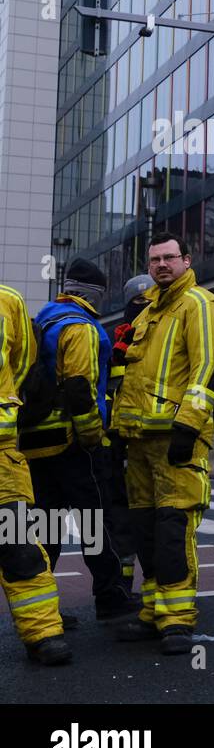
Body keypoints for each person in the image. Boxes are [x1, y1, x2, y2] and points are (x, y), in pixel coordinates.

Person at [113, 233, 214, 656]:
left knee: (173, 529)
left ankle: (178, 619)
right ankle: (154, 611)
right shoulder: (147, 313)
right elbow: (131, 381)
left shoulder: (199, 303)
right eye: (155, 260)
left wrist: (187, 426)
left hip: (175, 439)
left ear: (186, 259)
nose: (162, 265)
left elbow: (210, 366)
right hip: (140, 442)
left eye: (169, 258)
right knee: (145, 532)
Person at [19, 259, 135, 623]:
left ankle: (45, 605)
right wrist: (91, 437)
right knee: (95, 524)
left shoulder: (42, 320)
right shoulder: (81, 327)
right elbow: (79, 387)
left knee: (47, 526)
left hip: (37, 440)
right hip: (73, 443)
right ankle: (110, 596)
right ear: (91, 294)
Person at [0, 284, 71, 665]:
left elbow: (25, 365)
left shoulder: (8, 301)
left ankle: (43, 633)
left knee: (19, 548)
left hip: (0, 457)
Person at [104, 273, 155, 590]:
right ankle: (121, 584)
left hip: (148, 436)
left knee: (147, 513)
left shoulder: (160, 335)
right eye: (138, 301)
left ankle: (151, 583)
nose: (142, 307)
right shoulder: (113, 340)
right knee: (120, 515)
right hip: (116, 439)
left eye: (146, 301)